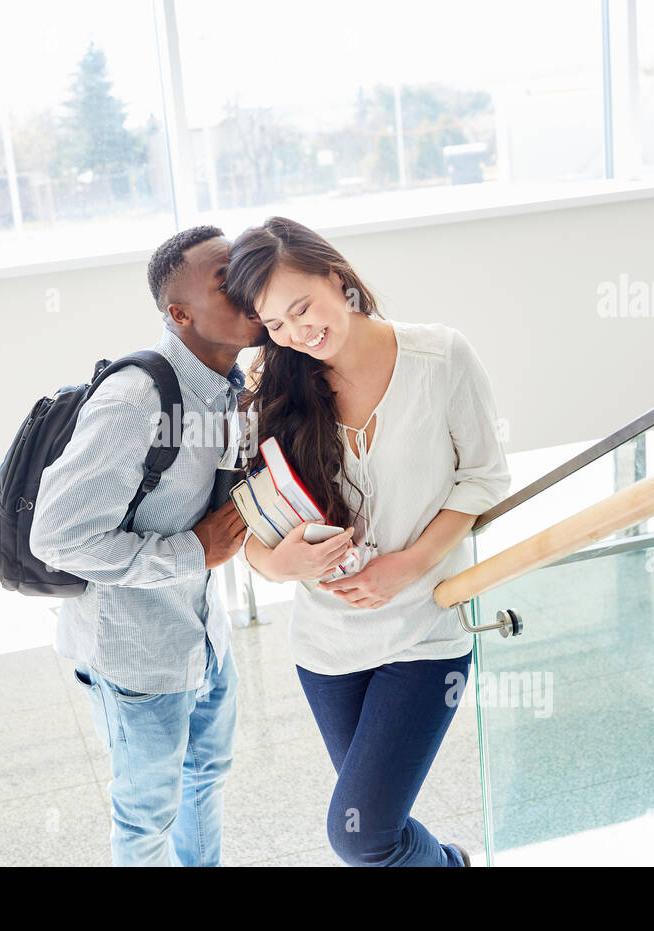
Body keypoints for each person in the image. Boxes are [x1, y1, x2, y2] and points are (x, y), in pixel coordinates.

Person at [225, 216, 511, 867]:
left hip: (424, 633)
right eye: (275, 324)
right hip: (326, 649)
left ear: (336, 275)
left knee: (360, 837)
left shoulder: (439, 356)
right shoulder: (271, 391)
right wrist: (278, 564)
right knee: (379, 834)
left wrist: (407, 566)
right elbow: (245, 531)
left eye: (302, 307)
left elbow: (485, 478)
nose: (298, 332)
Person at [29, 225, 267, 866]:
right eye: (226, 281)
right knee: (147, 821)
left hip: (203, 638)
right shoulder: (136, 397)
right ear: (179, 313)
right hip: (136, 658)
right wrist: (195, 550)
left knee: (203, 786)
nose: (248, 289)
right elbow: (57, 536)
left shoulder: (234, 386)